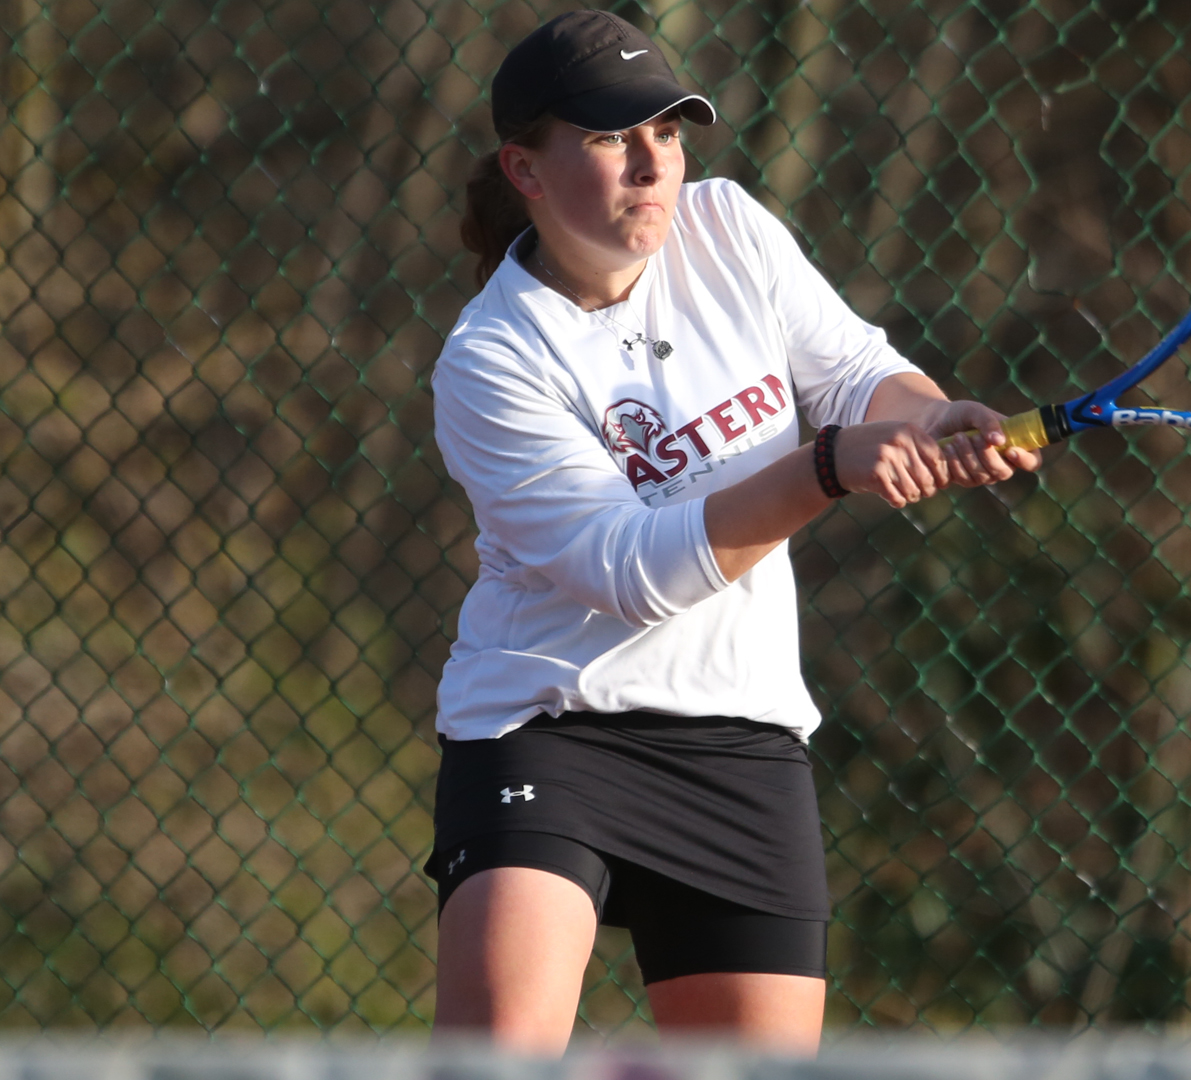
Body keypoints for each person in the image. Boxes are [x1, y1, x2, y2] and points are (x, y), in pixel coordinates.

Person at [425, 9, 1038, 1056]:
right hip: (549, 726)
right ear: (526, 170)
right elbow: (631, 570)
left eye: (666, 132)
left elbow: (853, 373)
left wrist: (927, 415)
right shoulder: (491, 361)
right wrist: (829, 467)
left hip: (741, 743)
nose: (651, 163)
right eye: (613, 138)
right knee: (498, 1066)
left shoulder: (728, 227)